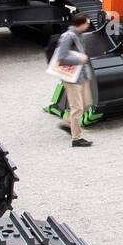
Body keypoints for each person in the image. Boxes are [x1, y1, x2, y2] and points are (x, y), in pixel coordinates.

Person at [53, 12, 94, 147]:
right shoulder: (68, 37)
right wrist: (79, 59)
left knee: (86, 103)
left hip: (82, 76)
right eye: (87, 23)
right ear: (81, 24)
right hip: (73, 79)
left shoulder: (79, 35)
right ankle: (76, 138)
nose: (88, 25)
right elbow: (61, 58)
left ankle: (67, 123)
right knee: (77, 108)